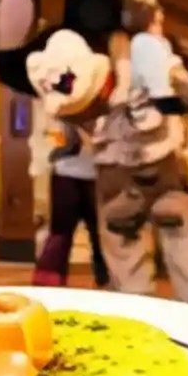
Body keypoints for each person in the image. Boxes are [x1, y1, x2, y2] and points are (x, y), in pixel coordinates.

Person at [33, 121, 109, 288]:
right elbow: (51, 144)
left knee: (102, 235)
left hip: (100, 175)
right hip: (66, 174)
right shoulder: (61, 110)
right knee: (61, 232)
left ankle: (109, 281)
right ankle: (50, 283)